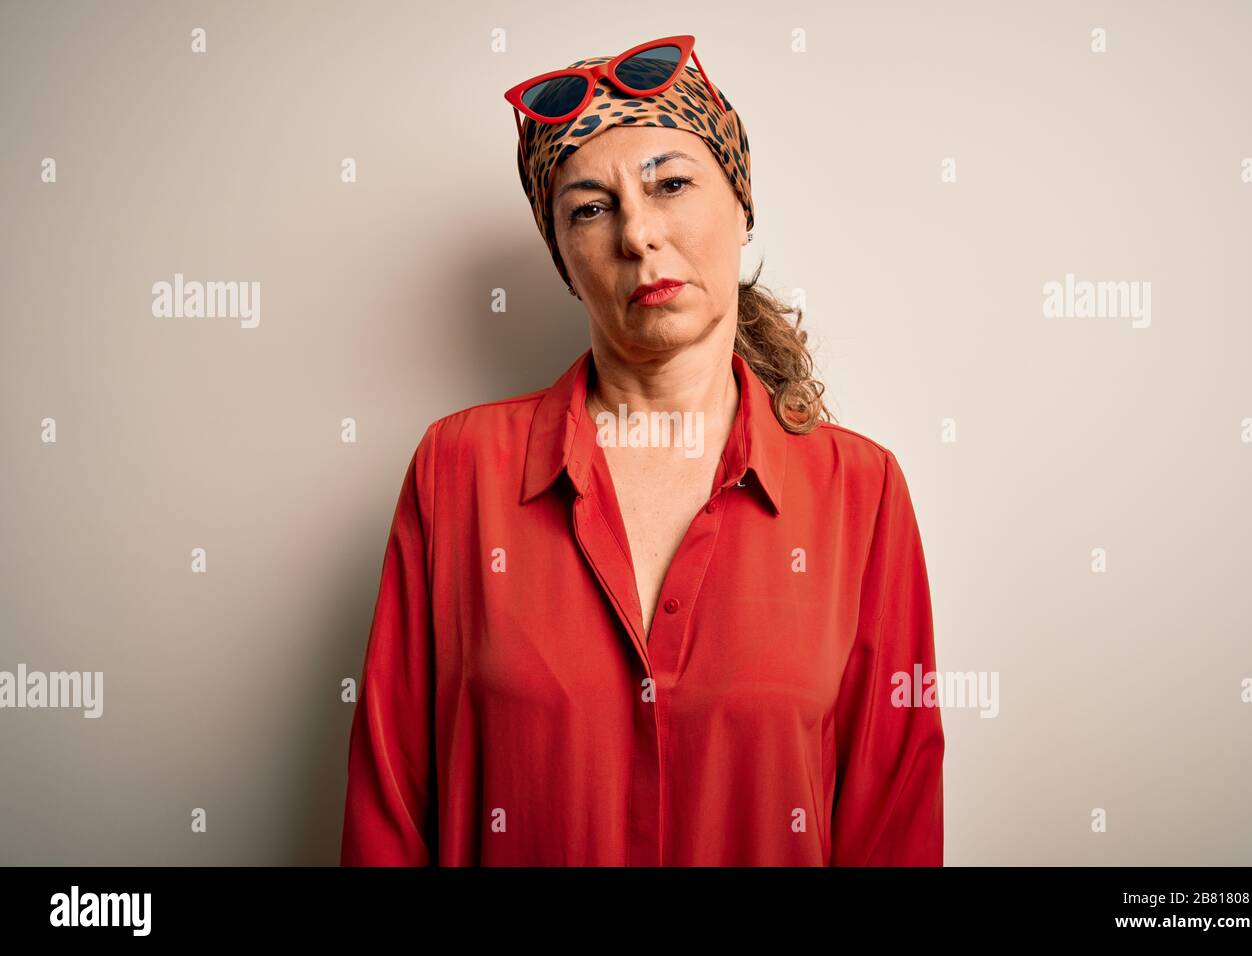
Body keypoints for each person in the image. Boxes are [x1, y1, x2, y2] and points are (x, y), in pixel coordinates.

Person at [340, 35, 943, 866]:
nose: (639, 234)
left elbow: (895, 816)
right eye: (591, 208)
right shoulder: (458, 470)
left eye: (671, 185)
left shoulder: (861, 491)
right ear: (563, 261)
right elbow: (389, 807)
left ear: (741, 201)